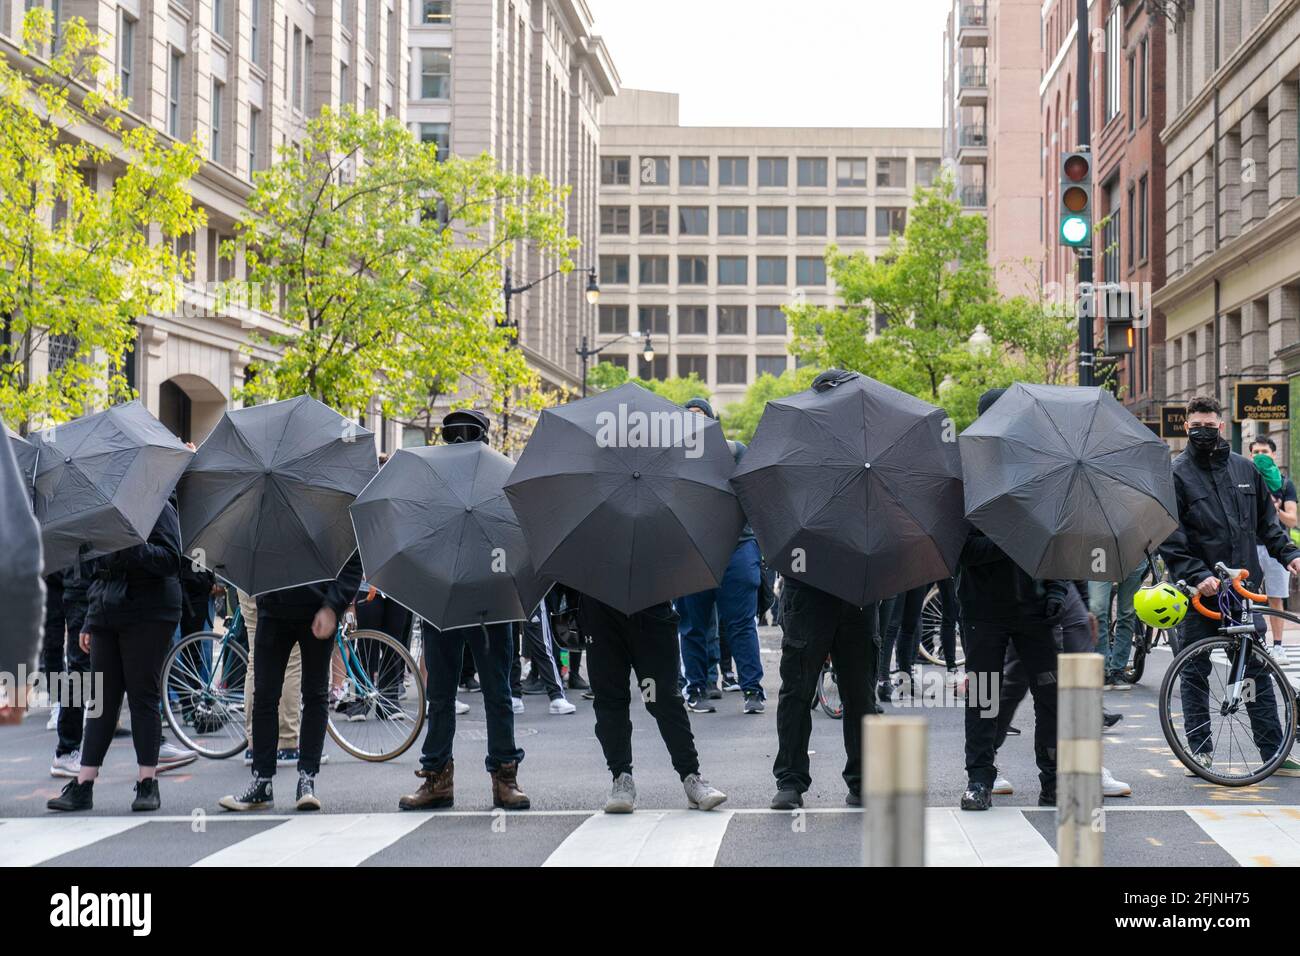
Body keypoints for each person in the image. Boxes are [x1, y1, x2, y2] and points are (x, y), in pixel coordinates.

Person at [397, 409, 531, 811]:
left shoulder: (503, 479)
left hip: (489, 596)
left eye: (465, 436)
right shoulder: (431, 481)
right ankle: (438, 777)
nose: (458, 443)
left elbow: (522, 535)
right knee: (441, 693)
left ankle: (503, 777)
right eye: (453, 436)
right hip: (444, 595)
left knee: (496, 691)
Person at [1160, 395, 1300, 773]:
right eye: (1196, 426)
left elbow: (1267, 524)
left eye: (1209, 425)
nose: (1203, 432)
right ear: (1186, 428)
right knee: (1194, 668)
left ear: (1221, 426)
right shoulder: (1175, 474)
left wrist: (1290, 555)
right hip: (1199, 592)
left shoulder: (1244, 469)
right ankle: (1199, 749)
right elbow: (1170, 535)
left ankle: (1274, 749)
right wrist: (1196, 574)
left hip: (1240, 588)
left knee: (1253, 668)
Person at [769, 369, 880, 810]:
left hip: (856, 585)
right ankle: (791, 780)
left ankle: (862, 780)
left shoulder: (872, 447)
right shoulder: (796, 445)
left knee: (860, 691)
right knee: (798, 687)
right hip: (810, 583)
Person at [958, 387, 1061, 812]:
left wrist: (1056, 587)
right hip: (983, 609)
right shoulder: (965, 474)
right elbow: (961, 551)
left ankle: (1053, 779)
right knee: (983, 695)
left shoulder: (1039, 471)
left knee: (1050, 695)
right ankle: (979, 778)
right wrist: (1012, 538)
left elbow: (1058, 537)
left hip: (1035, 604)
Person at [47, 502, 184, 813]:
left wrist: (130, 545)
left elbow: (170, 560)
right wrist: (89, 620)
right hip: (108, 608)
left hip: (150, 610)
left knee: (141, 694)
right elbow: (94, 571)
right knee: (101, 700)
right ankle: (83, 784)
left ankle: (147, 782)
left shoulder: (157, 507)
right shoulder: (102, 513)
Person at [218, 552, 363, 812]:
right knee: (265, 695)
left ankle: (307, 778)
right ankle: (262, 780)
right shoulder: (264, 513)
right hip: (274, 608)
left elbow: (351, 558)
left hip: (317, 607)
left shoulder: (330, 512)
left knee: (315, 694)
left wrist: (333, 606)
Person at [675, 397, 765, 715]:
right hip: (691, 553)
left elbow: (756, 495)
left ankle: (753, 690)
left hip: (736, 549)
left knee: (741, 624)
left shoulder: (734, 451)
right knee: (692, 625)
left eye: (701, 417)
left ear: (713, 421)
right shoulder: (673, 460)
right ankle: (696, 687)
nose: (696, 423)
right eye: (688, 418)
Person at [1248, 435, 1298, 661]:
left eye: (1264, 452)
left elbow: (1292, 521)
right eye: (1256, 452)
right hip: (1250, 546)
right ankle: (1255, 643)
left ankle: (1278, 646)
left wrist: (1273, 509)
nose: (1260, 456)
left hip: (1275, 549)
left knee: (1276, 597)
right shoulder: (1246, 480)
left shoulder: (1285, 484)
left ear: (1273, 455)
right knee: (1249, 596)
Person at [1088, 565, 1146, 689]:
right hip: (1101, 552)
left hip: (1133, 554)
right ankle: (1103, 671)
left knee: (1127, 613)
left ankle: (1118, 671)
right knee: (1097, 609)